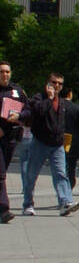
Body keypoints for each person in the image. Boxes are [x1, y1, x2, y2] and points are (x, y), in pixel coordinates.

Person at [20, 72, 79, 217]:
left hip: (57, 144)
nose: (57, 86)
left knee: (60, 174)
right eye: (54, 82)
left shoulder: (62, 101)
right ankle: (28, 204)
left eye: (60, 83)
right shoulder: (38, 98)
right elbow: (38, 111)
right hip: (40, 143)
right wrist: (50, 98)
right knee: (31, 175)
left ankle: (65, 202)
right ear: (48, 83)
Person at [0, 60, 26, 223]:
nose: (5, 74)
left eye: (7, 72)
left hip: (10, 138)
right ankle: (4, 209)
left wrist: (20, 116)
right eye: (2, 71)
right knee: (0, 175)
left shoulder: (17, 91)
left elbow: (29, 110)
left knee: (2, 172)